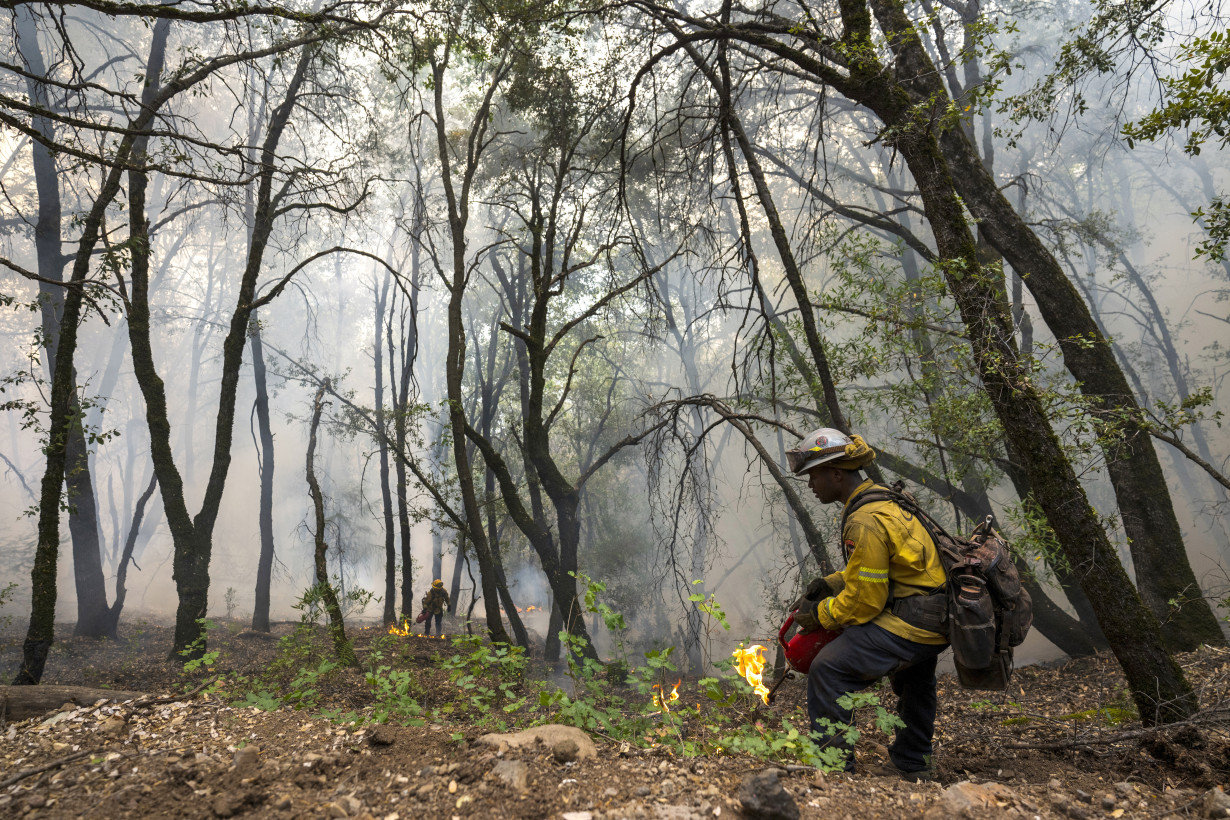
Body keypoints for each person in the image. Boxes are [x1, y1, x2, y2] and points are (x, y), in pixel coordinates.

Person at [786, 428, 948, 781]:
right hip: (937, 617)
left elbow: (864, 602)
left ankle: (834, 771)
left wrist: (819, 615)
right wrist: (830, 583)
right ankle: (913, 762)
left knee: (828, 669)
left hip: (912, 621)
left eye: (813, 476)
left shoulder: (863, 519)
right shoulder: (887, 501)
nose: (811, 485)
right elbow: (883, 569)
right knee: (915, 675)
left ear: (836, 473)